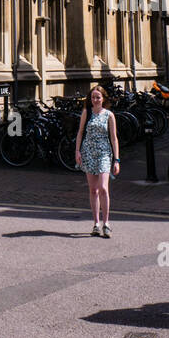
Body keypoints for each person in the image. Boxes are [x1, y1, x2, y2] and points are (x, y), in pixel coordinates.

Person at [75, 84, 120, 237]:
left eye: (98, 97)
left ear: (103, 99)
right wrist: (77, 151)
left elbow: (114, 139)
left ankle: (106, 223)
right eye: (93, 97)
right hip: (88, 153)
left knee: (103, 188)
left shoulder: (109, 115)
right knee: (93, 190)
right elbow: (80, 132)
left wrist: (117, 159)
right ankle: (96, 223)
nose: (95, 100)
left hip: (104, 154)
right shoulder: (86, 112)